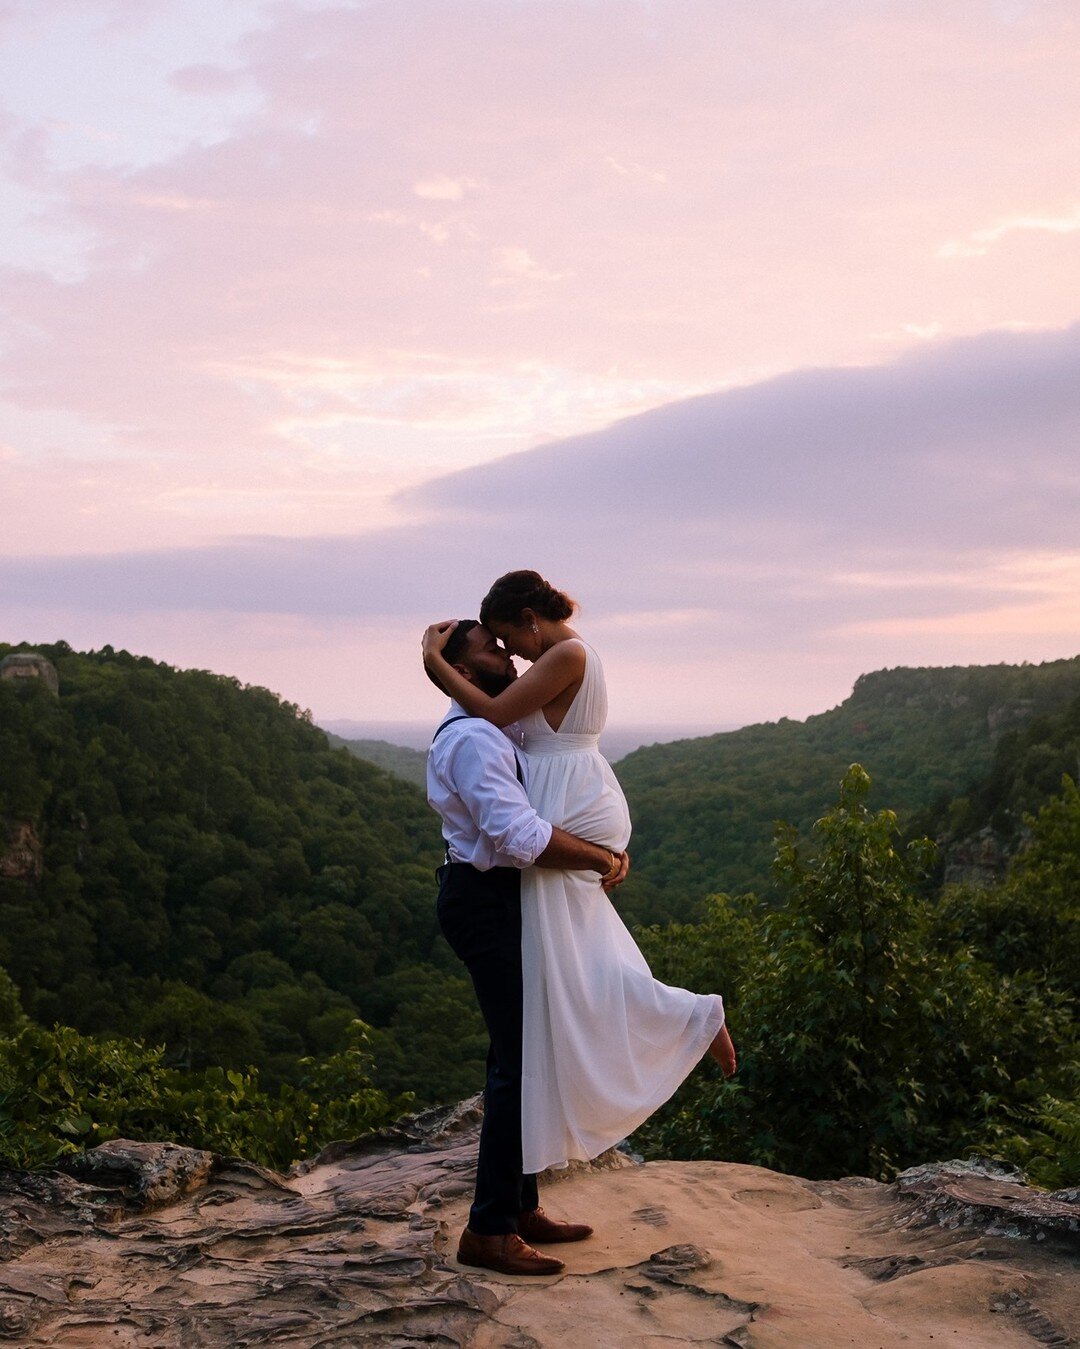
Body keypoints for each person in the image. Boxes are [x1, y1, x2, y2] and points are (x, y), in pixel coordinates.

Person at [423, 570, 736, 1181]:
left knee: (572, 975)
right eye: (494, 647)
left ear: (528, 617)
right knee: (574, 971)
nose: (509, 652)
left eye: (506, 638)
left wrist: (433, 660)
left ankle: (689, 1018)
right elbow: (494, 723)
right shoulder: (523, 690)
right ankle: (522, 1201)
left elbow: (487, 713)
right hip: (563, 809)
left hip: (562, 809)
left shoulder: (564, 653)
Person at [425, 617, 630, 1277]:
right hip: (484, 902)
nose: (508, 654)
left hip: (497, 900)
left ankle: (519, 1205)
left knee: (525, 1051)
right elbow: (520, 836)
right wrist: (599, 856)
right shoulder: (474, 742)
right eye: (491, 648)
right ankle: (488, 1230)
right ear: (463, 665)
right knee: (515, 1063)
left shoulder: (494, 726)